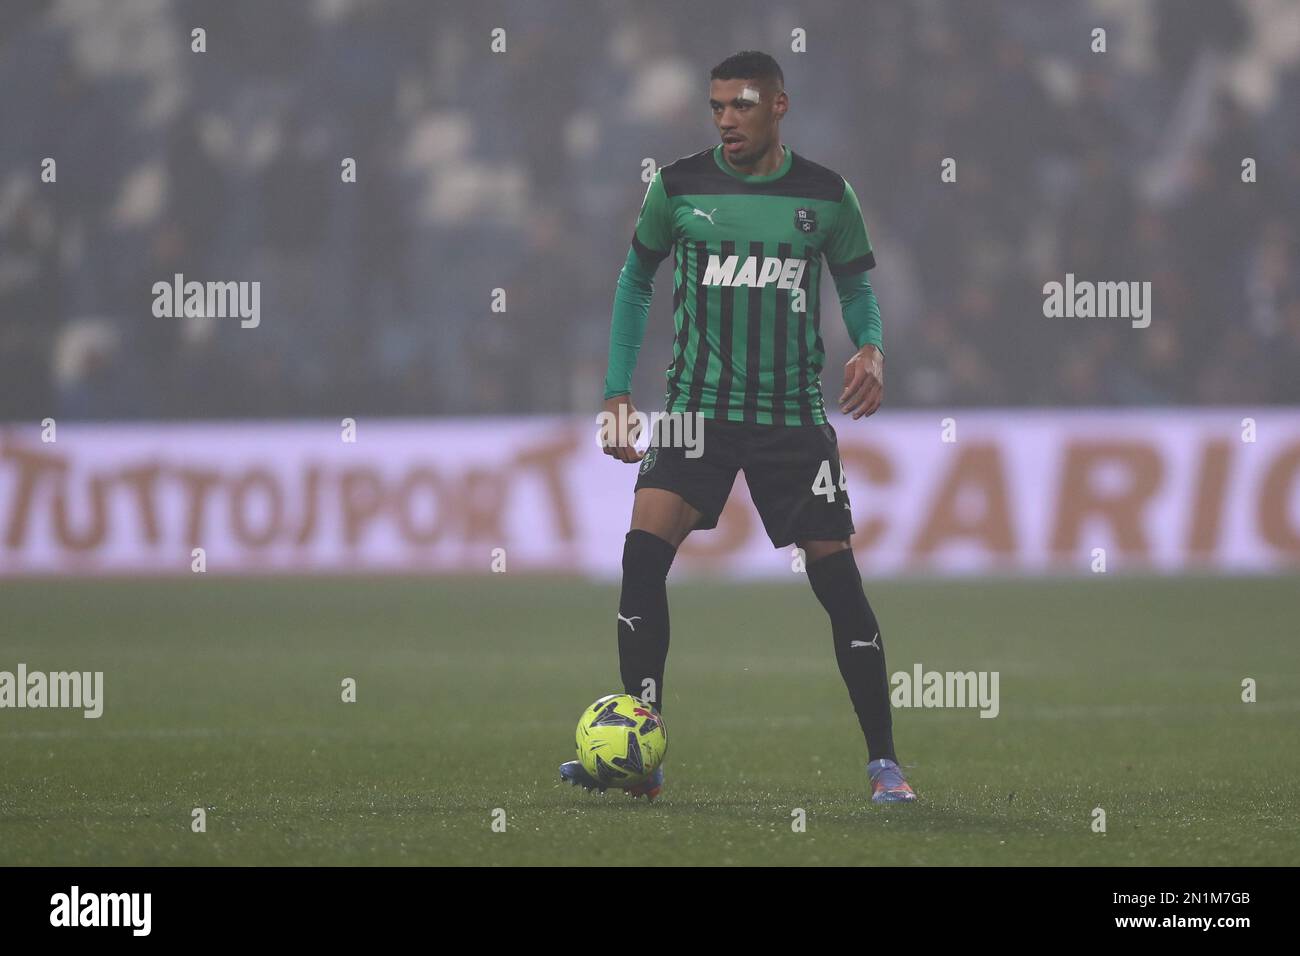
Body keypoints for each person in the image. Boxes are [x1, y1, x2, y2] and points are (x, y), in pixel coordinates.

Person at [561, 50, 915, 804]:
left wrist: (873, 347)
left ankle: (885, 762)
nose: (725, 119)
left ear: (779, 106)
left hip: (791, 420)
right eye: (716, 105)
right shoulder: (678, 185)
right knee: (640, 558)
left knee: (839, 584)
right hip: (696, 413)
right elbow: (635, 279)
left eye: (741, 106)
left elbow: (855, 285)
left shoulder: (826, 196)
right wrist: (617, 392)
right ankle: (643, 746)